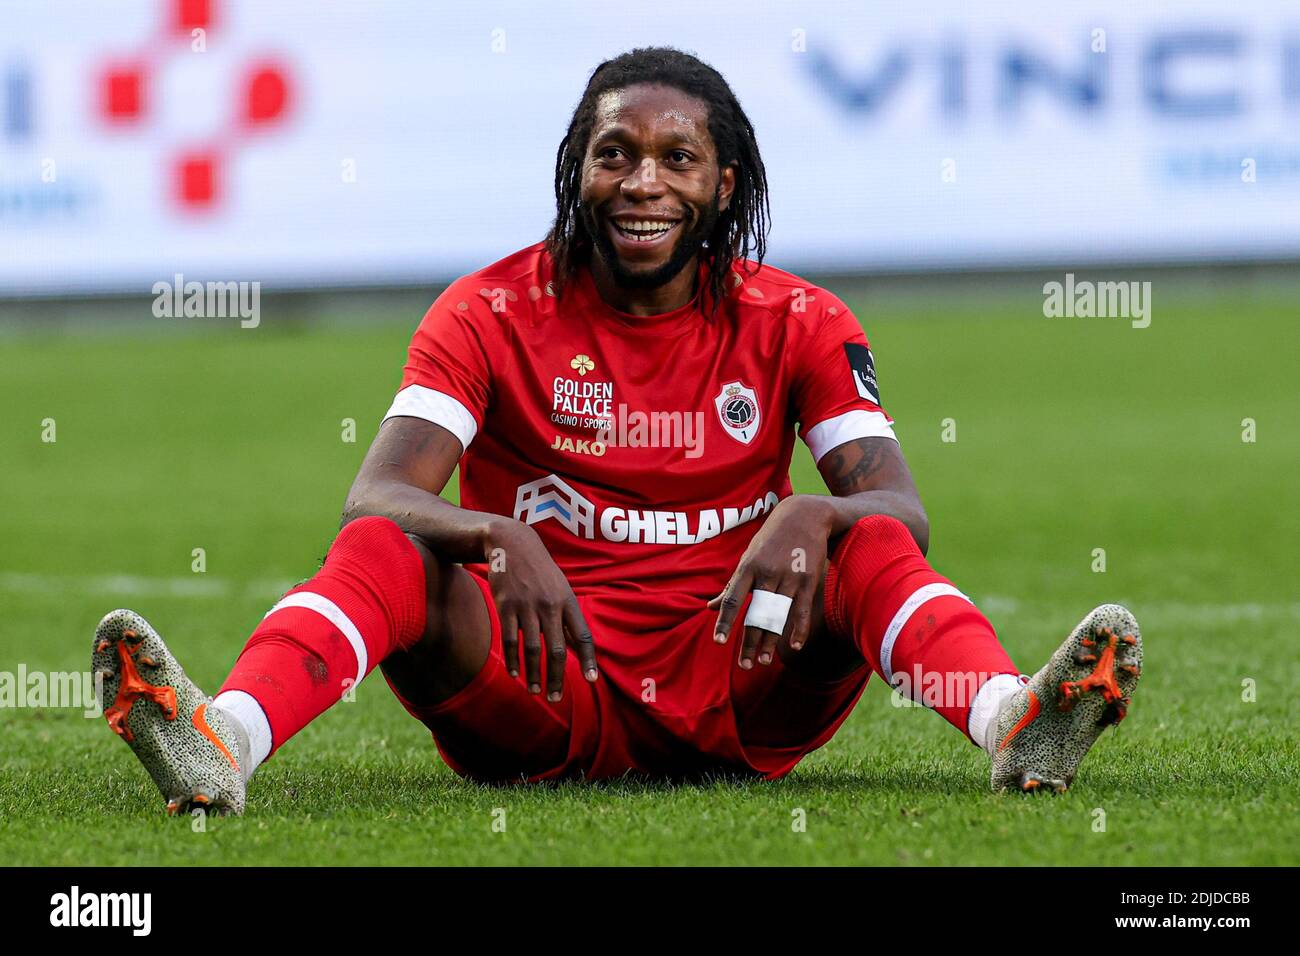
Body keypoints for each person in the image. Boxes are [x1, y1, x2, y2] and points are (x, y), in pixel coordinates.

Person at [92, 47, 1141, 815]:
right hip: (539, 683)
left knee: (865, 539)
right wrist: (493, 534)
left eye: (677, 158)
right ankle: (223, 739)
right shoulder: (487, 311)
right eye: (614, 155)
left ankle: (1011, 721)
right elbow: (376, 494)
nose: (643, 183)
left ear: (723, 185)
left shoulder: (800, 318)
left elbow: (901, 508)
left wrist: (813, 513)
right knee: (385, 545)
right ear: (576, 169)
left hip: (746, 674)